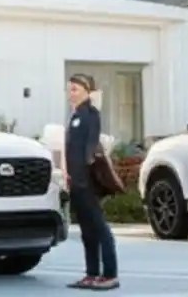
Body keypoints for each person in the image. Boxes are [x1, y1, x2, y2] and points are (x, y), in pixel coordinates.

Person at [65, 73, 119, 291]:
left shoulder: (90, 114)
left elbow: (91, 146)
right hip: (76, 181)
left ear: (87, 92)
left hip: (86, 181)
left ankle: (110, 274)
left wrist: (86, 171)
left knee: (99, 227)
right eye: (69, 89)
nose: (71, 93)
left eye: (75, 89)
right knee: (87, 230)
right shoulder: (75, 115)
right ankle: (91, 273)